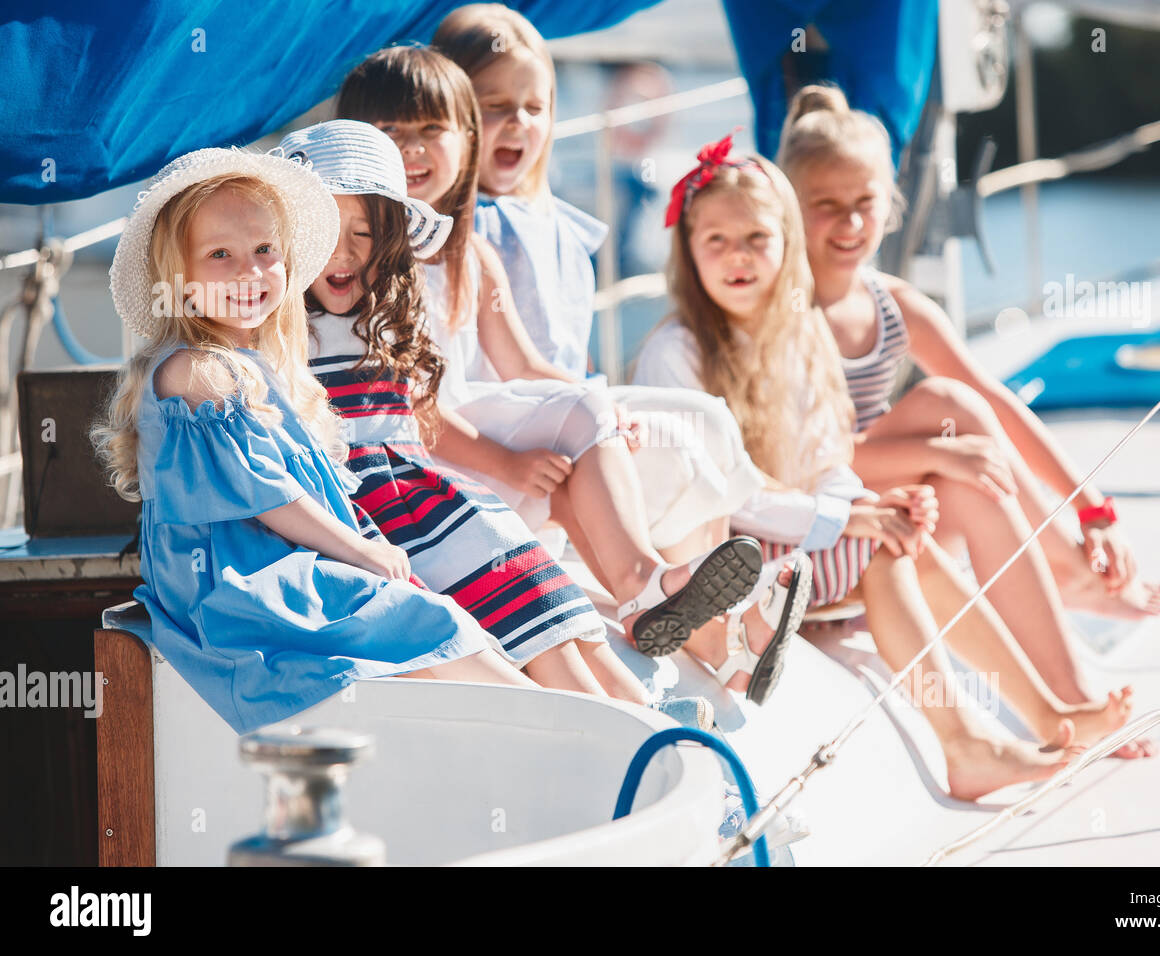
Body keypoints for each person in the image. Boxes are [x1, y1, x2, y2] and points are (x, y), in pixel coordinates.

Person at [633, 136, 1150, 797]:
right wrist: (851, 515)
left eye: (757, 240)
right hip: (725, 552)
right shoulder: (678, 352)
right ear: (688, 252)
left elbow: (825, 455)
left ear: (785, 245)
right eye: (718, 242)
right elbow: (727, 490)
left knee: (904, 540)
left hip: (791, 532)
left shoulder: (796, 334)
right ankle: (969, 743)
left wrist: (876, 509)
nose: (739, 258)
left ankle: (1045, 716)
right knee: (885, 551)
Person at [333, 45, 809, 703]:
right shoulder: (362, 264)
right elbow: (402, 410)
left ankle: (650, 590)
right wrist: (504, 461)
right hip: (423, 458)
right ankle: (696, 602)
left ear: (463, 140)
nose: (412, 150)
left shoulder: (465, 249)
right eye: (391, 134)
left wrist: (600, 411)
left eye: (429, 131)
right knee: (572, 453)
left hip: (466, 421)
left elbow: (524, 365)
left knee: (602, 415)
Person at [90, 146, 539, 734]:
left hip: (275, 562)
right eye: (220, 254)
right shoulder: (196, 371)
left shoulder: (253, 365)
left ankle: (553, 724)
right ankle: (570, 726)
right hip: (235, 582)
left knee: (431, 622)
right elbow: (270, 496)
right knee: (422, 618)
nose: (249, 271)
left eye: (264, 251)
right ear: (179, 276)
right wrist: (360, 553)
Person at [280, 120, 717, 722]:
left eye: (366, 233)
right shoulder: (281, 333)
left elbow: (418, 415)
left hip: (417, 491)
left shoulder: (383, 320)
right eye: (328, 231)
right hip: (363, 508)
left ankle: (647, 710)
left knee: (532, 577)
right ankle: (626, 732)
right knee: (516, 601)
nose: (347, 251)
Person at [777, 85, 1160, 755]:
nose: (848, 225)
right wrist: (946, 452)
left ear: (890, 204)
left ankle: (1071, 697)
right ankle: (1068, 575)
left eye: (864, 204)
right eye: (825, 207)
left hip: (885, 497)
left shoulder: (892, 304)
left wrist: (1093, 506)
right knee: (950, 414)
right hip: (817, 520)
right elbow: (804, 460)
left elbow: (999, 406)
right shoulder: (785, 316)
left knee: (964, 424)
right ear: (790, 210)